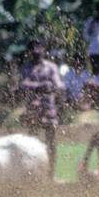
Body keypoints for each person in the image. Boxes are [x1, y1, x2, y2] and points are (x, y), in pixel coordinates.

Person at [19, 41, 63, 171]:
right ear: (30, 51)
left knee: (51, 142)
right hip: (33, 110)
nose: (36, 50)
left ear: (44, 49)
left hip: (49, 108)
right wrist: (40, 86)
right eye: (33, 48)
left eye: (39, 47)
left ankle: (52, 173)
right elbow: (24, 84)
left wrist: (52, 86)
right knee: (32, 143)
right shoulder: (26, 67)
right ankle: (33, 172)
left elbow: (59, 84)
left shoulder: (51, 67)